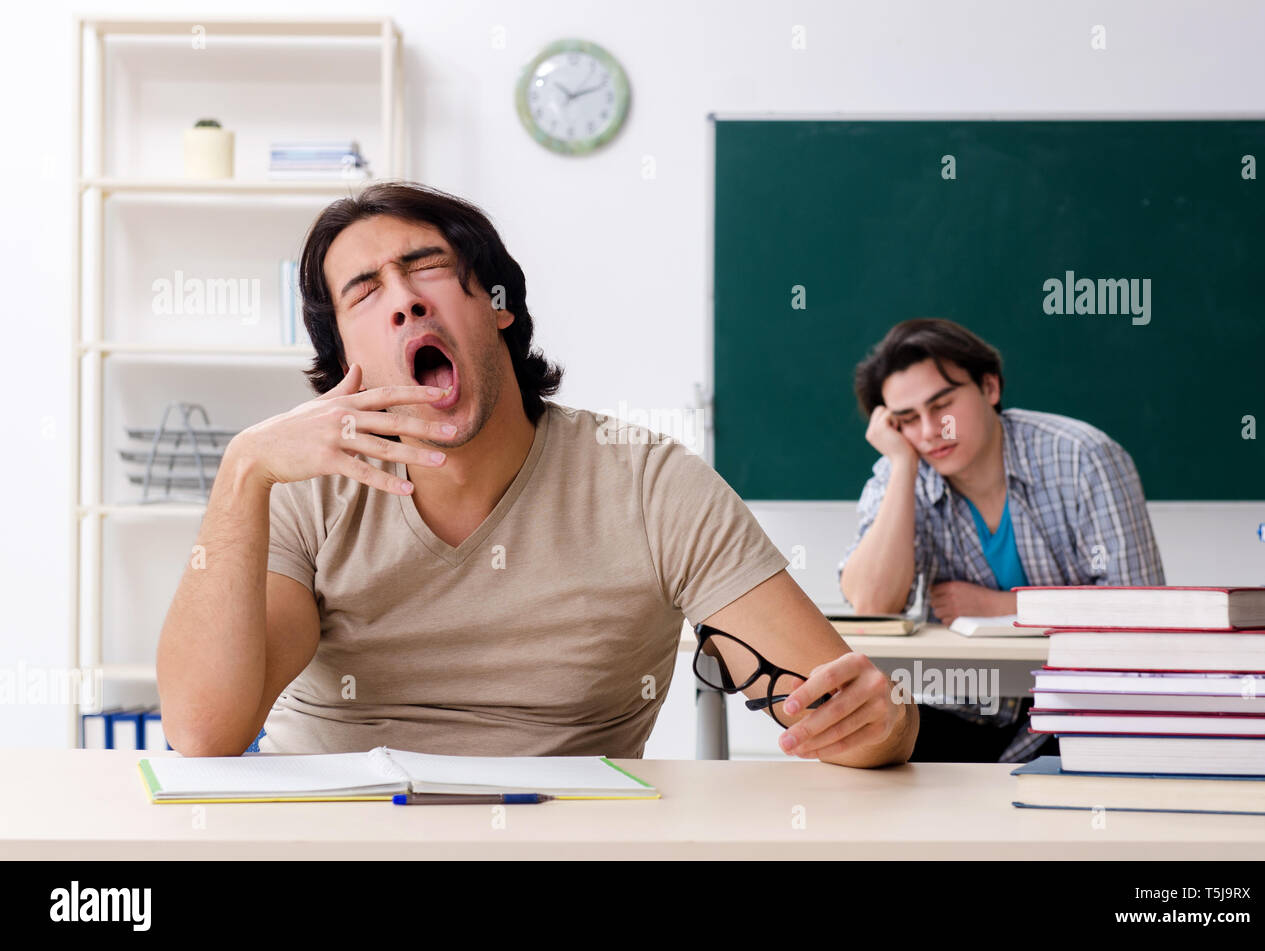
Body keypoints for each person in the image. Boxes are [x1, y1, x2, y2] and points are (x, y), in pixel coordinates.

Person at [157, 181, 918, 767]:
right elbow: (203, 732)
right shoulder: (304, 490)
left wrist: (885, 724)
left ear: (497, 306)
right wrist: (243, 469)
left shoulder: (650, 483)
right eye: (365, 291)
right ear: (343, 358)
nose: (405, 300)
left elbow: (844, 706)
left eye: (428, 269)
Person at [837, 318, 1164, 763]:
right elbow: (872, 604)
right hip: (965, 711)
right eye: (908, 419)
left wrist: (1006, 608)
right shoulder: (900, 474)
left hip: (1081, 705)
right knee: (873, 761)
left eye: (942, 405)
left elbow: (1141, 611)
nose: (931, 431)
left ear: (989, 387)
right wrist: (901, 465)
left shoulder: (1082, 458)